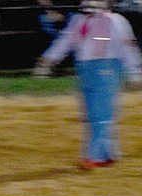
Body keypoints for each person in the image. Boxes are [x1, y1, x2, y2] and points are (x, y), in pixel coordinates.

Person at [34, 0, 142, 169]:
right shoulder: (78, 20)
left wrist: (135, 73)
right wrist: (48, 59)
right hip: (85, 70)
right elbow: (65, 41)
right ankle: (107, 153)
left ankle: (95, 156)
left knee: (101, 114)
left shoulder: (116, 21)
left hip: (106, 69)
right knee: (93, 115)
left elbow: (127, 47)